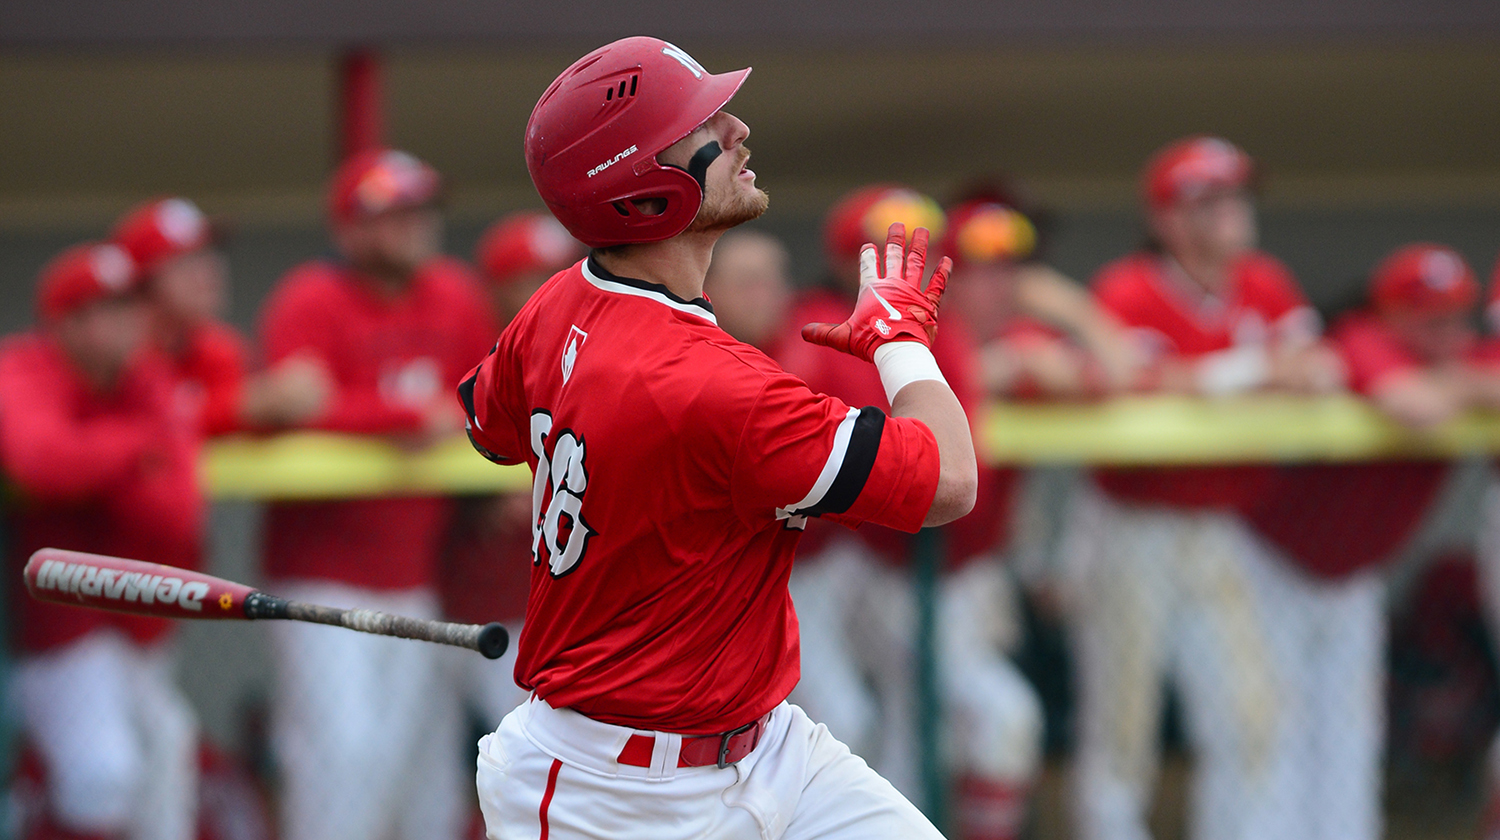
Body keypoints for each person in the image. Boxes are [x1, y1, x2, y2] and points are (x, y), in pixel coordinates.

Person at [460, 36, 976, 840]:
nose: (737, 131)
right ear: (640, 191)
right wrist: (901, 344)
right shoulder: (713, 384)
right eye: (698, 126)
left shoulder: (558, 302)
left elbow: (487, 426)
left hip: (771, 749)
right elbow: (949, 481)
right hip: (612, 793)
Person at [1068, 135, 1344, 840]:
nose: (1234, 210)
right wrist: (1252, 371)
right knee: (1122, 720)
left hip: (1218, 524)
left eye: (1235, 195)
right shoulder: (1128, 288)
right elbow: (1132, 381)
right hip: (1131, 524)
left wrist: (1217, 378)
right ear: (1167, 218)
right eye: (1211, 199)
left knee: (1249, 717)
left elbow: (1319, 368)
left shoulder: (1264, 281)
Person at [776, 185, 1039, 840]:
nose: (903, 264)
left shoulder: (935, 332)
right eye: (881, 250)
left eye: (918, 248)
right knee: (847, 727)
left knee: (903, 736)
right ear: (847, 259)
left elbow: (957, 460)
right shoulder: (815, 323)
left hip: (900, 564)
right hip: (806, 563)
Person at [256, 148, 497, 840]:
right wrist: (404, 417)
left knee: (410, 766)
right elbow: (296, 408)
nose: (416, 225)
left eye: (422, 210)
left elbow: (482, 400)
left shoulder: (454, 294)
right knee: (339, 757)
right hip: (320, 578)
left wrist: (411, 418)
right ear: (349, 229)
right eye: (395, 214)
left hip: (416, 573)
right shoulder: (311, 298)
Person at [1244, 243, 1487, 840]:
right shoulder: (1360, 336)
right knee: (1267, 731)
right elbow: (1412, 403)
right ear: (1389, 313)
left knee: (1350, 731)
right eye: (1429, 318)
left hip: (1352, 576)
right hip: (1268, 563)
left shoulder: (1464, 358)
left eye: (1458, 317)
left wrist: (1458, 382)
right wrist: (1465, 387)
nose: (1449, 334)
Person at [0, 242, 201, 840]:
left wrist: (94, 465)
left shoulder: (149, 378)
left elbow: (176, 514)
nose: (129, 320)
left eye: (131, 304)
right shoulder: (23, 368)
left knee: (169, 749)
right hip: (45, 625)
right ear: (64, 323)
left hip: (133, 620)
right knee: (103, 771)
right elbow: (42, 462)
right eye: (107, 309)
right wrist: (135, 447)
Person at [111, 196, 330, 436]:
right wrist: (247, 406)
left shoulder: (220, 349)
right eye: (189, 260)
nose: (210, 272)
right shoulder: (113, 356)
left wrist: (279, 401)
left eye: (210, 254)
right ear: (141, 282)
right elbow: (136, 426)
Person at [703, 228, 794, 354]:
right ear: (710, 289)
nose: (760, 297)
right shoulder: (689, 355)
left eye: (769, 284)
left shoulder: (814, 346)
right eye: (746, 283)